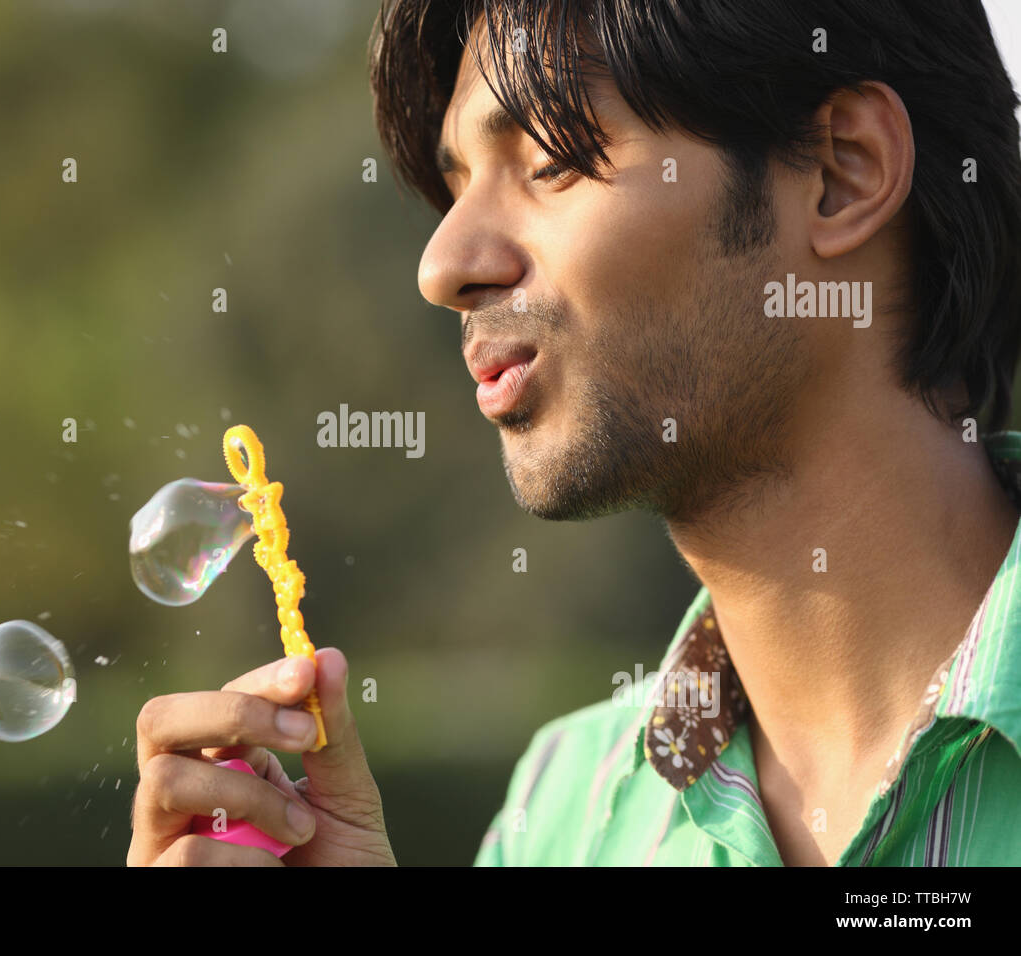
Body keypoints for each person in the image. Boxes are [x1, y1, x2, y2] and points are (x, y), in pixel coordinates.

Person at [127, 0, 1021, 866]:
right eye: (455, 186)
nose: (443, 265)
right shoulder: (561, 809)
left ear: (844, 171)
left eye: (550, 158)